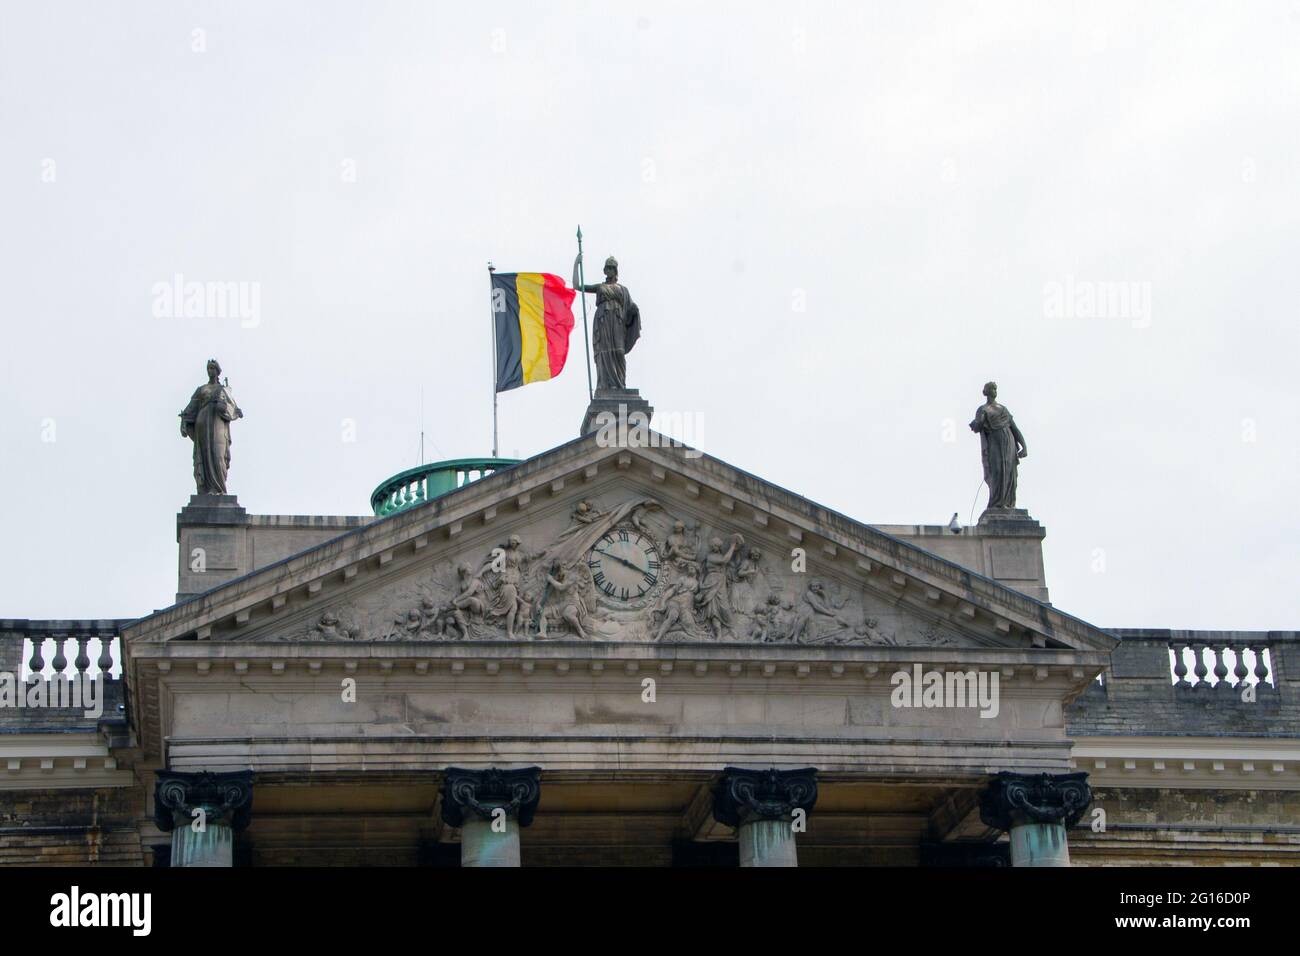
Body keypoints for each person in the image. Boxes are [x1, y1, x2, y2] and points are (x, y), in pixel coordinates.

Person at [573, 253, 641, 391]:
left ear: (616, 271)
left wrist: (634, 310)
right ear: (605, 270)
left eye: (612, 268)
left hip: (617, 321)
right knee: (604, 352)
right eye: (608, 268)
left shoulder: (623, 290)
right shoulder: (600, 287)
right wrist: (576, 264)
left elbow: (630, 307)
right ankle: (605, 385)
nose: (609, 270)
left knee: (619, 353)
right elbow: (577, 286)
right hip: (603, 320)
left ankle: (620, 384)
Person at [179, 359, 243, 494]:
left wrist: (233, 410)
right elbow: (191, 407)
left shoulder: (223, 390)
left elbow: (231, 407)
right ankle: (206, 489)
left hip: (218, 424)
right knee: (204, 453)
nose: (210, 371)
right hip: (202, 424)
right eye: (209, 368)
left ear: (218, 371)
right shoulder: (201, 389)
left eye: (213, 368)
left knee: (218, 454)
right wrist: (185, 419)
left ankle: (219, 489)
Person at [969, 381, 1027, 510]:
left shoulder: (1003, 409)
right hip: (994, 443)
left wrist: (1024, 446)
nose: (995, 391)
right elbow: (977, 427)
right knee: (997, 471)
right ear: (986, 391)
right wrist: (980, 421)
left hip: (1009, 443)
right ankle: (997, 503)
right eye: (992, 389)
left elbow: (1015, 429)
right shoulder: (982, 409)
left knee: (1010, 473)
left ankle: (1009, 503)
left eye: (996, 389)